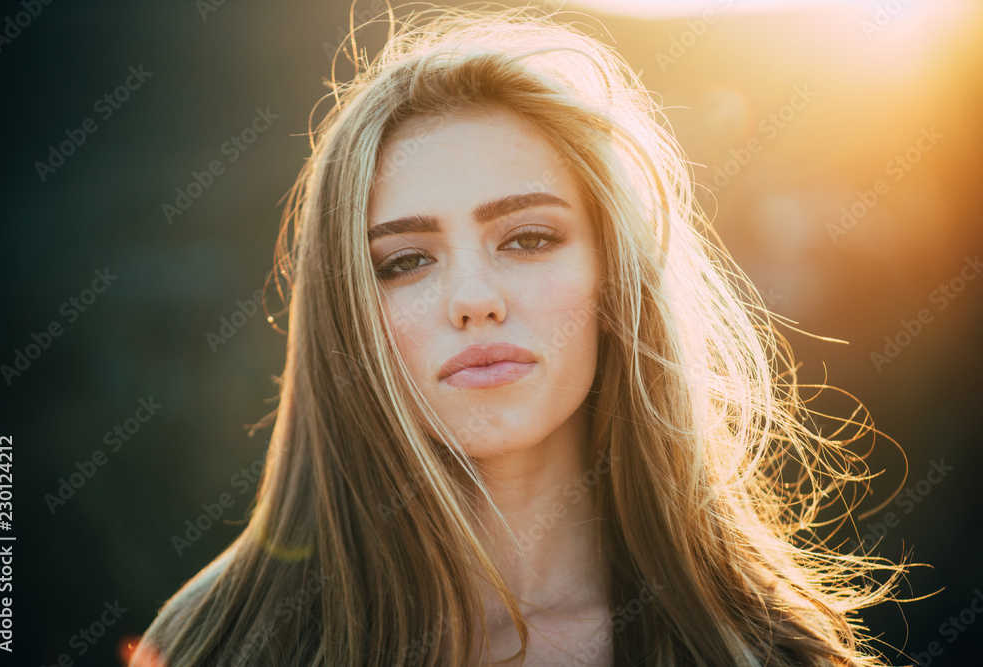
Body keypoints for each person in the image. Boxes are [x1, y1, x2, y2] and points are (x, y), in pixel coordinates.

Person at [130, 4, 906, 666]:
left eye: (528, 239)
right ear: (349, 316)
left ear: (616, 276)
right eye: (404, 260)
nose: (473, 300)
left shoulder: (763, 647)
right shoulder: (216, 641)